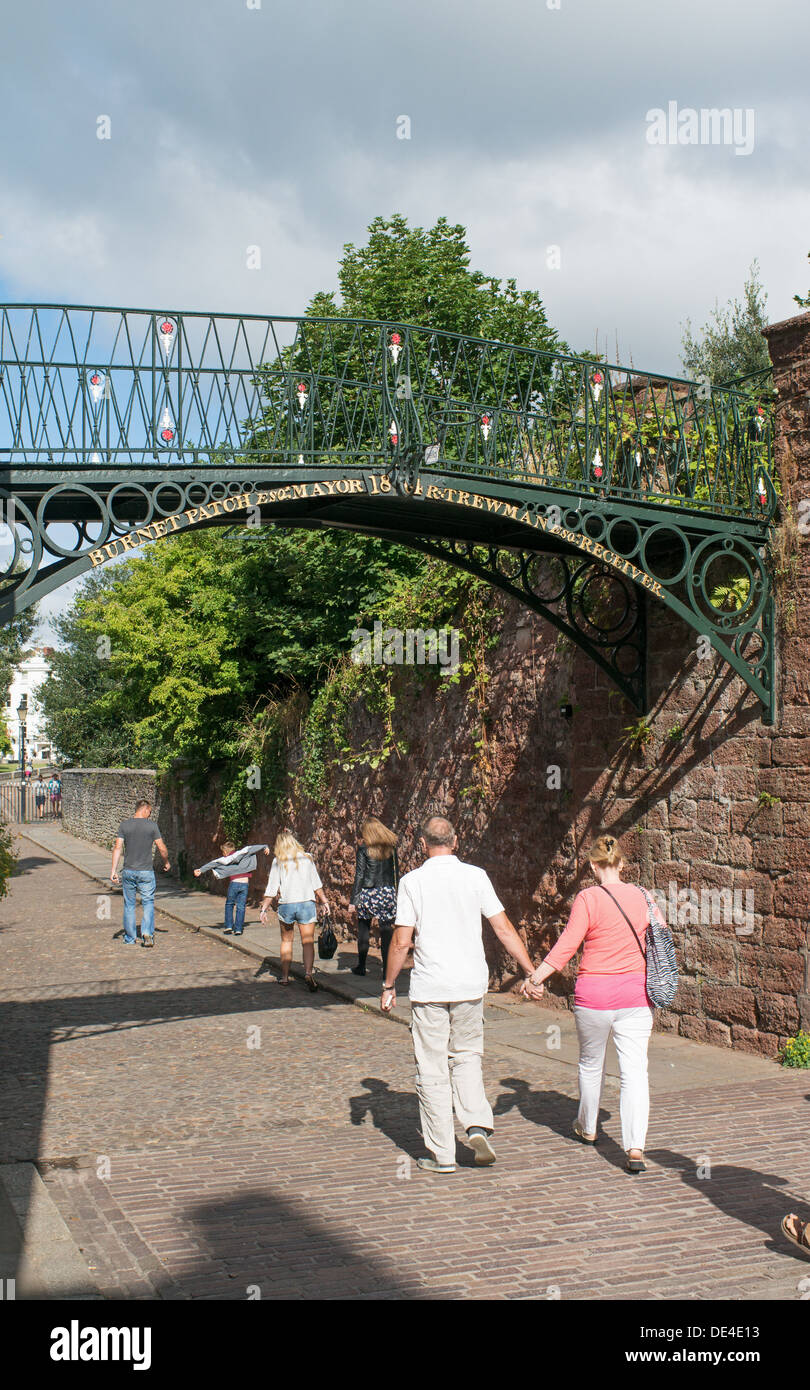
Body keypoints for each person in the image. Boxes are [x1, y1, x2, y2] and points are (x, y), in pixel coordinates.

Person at [382, 815, 538, 1174]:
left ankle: (443, 1154)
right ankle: (477, 1126)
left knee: (432, 1067)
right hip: (469, 985)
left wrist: (389, 985)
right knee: (467, 1056)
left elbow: (402, 940)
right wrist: (530, 970)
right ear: (455, 842)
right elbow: (503, 927)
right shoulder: (475, 877)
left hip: (430, 988)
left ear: (423, 844)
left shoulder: (412, 882)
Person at [525, 832, 662, 1173]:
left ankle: (587, 1127)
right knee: (635, 1073)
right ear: (622, 863)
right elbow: (661, 935)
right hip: (635, 995)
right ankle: (634, 1147)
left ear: (591, 864)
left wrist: (536, 978)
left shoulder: (587, 899)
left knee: (590, 1064)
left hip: (594, 996)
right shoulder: (645, 896)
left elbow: (567, 945)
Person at [260, 831, 330, 991]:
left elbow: (271, 888)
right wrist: (325, 901)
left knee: (286, 941)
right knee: (307, 941)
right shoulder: (307, 858)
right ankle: (308, 973)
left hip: (287, 905)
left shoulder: (278, 861)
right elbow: (316, 884)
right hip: (306, 903)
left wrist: (264, 908)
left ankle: (284, 977)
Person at [110, 799, 171, 948]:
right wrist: (166, 861)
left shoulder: (124, 825)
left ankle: (130, 938)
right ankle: (147, 934)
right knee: (148, 902)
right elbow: (161, 847)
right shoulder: (152, 826)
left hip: (129, 871)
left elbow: (117, 848)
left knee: (129, 905)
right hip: (146, 872)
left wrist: (113, 870)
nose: (150, 815)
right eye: (149, 812)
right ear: (144, 809)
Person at [348, 816, 399, 977]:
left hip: (369, 892)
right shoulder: (391, 847)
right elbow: (396, 872)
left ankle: (361, 966)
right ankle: (386, 971)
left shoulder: (364, 850)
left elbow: (360, 875)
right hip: (387, 891)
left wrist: (353, 900)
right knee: (386, 930)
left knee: (364, 928)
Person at [194, 839, 270, 936]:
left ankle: (229, 926)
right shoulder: (244, 852)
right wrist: (265, 846)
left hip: (234, 884)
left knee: (229, 904)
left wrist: (200, 870)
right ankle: (238, 929)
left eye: (223, 852)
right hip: (244, 885)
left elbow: (213, 863)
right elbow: (254, 848)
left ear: (225, 852)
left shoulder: (226, 859)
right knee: (241, 906)